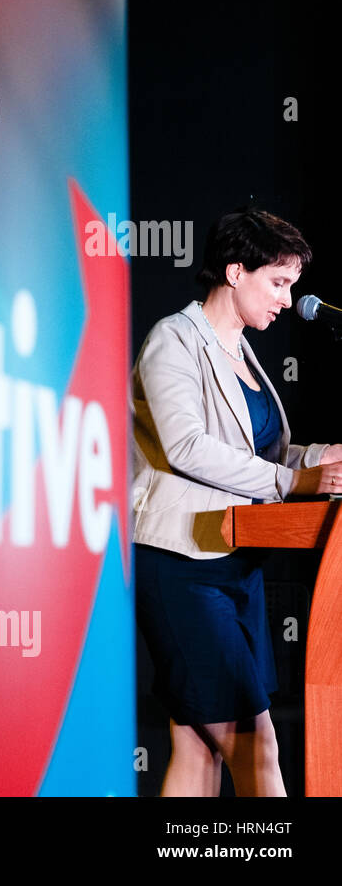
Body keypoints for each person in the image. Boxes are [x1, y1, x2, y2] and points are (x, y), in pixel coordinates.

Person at [130, 206, 342, 796]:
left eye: (292, 285)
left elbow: (261, 453)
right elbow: (189, 447)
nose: (287, 298)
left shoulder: (245, 353)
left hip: (236, 564)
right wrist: (295, 484)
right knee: (258, 745)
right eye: (278, 282)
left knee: (198, 749)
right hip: (180, 565)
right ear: (233, 270)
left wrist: (320, 458)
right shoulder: (173, 339)